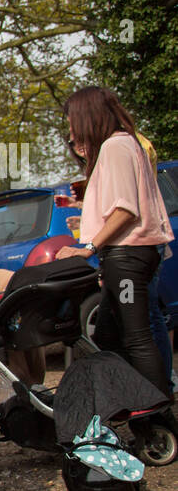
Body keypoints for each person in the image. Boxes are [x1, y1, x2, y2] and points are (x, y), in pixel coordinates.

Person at [55, 86, 174, 401]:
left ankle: (157, 415)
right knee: (108, 333)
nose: (72, 133)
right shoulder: (121, 145)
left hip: (128, 256)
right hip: (125, 255)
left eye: (72, 124)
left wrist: (89, 246)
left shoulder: (115, 147)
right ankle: (132, 400)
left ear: (88, 117)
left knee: (137, 336)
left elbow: (125, 210)